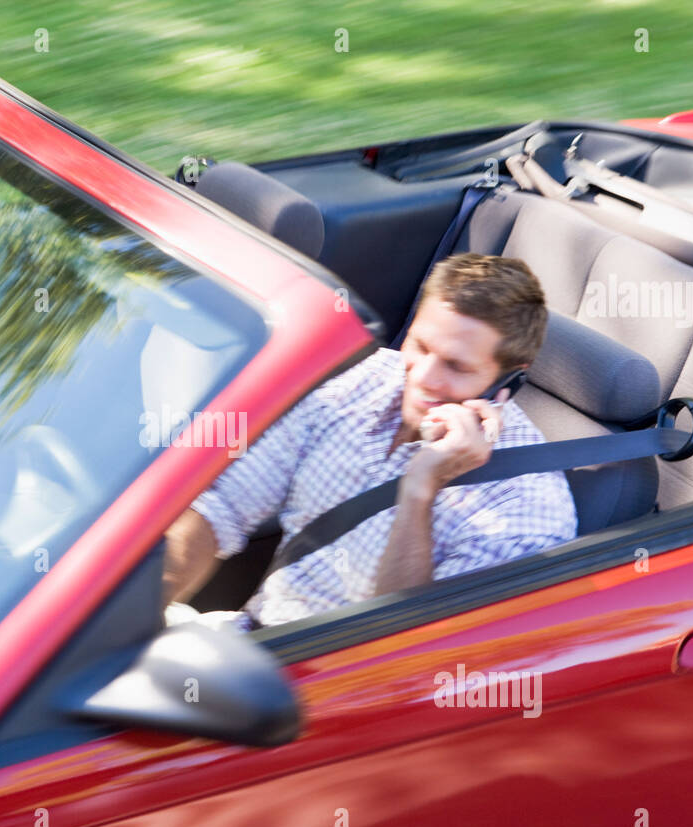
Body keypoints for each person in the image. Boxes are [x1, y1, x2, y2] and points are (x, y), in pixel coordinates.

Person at [162, 252, 578, 632]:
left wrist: (420, 492)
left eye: (455, 366)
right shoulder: (358, 380)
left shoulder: (524, 510)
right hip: (252, 639)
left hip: (348, 692)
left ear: (509, 379)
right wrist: (124, 631)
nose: (422, 377)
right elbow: (223, 508)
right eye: (420, 345)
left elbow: (407, 649)